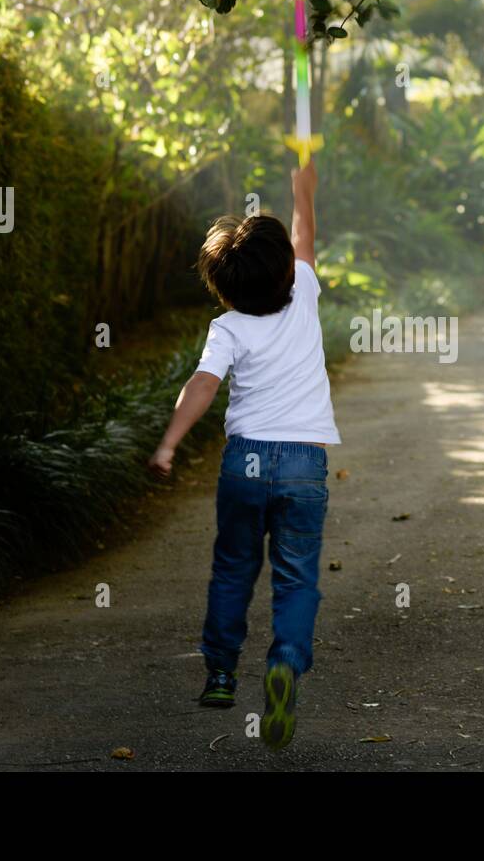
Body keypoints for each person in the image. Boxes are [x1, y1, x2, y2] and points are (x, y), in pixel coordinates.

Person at [148, 160, 338, 750]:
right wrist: (302, 189)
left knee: (233, 568)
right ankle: (284, 664)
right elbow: (304, 234)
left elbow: (202, 385)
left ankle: (222, 674)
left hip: (246, 462)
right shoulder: (303, 289)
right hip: (304, 460)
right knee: (297, 576)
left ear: (224, 287)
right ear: (287, 271)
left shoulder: (226, 328)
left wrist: (170, 442)